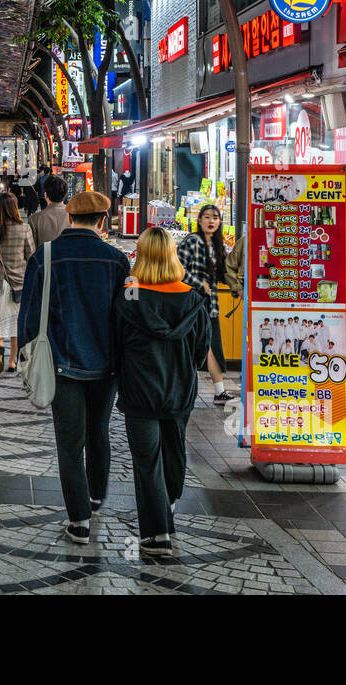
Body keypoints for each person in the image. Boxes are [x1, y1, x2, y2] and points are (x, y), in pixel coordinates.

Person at [17, 190, 130, 545]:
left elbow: (29, 317)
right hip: (106, 367)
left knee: (69, 443)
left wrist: (25, 355)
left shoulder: (45, 257)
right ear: (102, 221)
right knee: (99, 433)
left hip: (60, 365)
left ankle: (79, 519)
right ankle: (96, 498)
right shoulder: (116, 260)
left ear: (69, 219)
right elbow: (124, 318)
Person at [113, 227, 206, 557]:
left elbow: (118, 345)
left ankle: (156, 534)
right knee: (174, 451)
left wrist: (120, 384)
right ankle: (167, 504)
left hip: (139, 390)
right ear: (171, 254)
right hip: (180, 389)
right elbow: (200, 350)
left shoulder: (131, 293)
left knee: (147, 459)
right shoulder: (192, 297)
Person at [177, 204, 237, 404]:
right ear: (199, 220)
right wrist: (199, 283)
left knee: (212, 347)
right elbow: (177, 268)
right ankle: (188, 391)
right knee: (197, 348)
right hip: (192, 305)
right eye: (207, 217)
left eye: (215, 217)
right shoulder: (192, 241)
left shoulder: (217, 246)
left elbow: (222, 274)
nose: (211, 221)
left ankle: (218, 391)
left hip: (209, 306)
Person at [0, 192, 35, 374]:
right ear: (14, 208)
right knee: (15, 322)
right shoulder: (24, 229)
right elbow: (31, 255)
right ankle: (12, 362)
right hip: (18, 283)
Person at [29, 175, 70, 246]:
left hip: (45, 256)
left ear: (46, 195)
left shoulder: (34, 220)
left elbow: (32, 250)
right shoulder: (75, 217)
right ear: (65, 194)